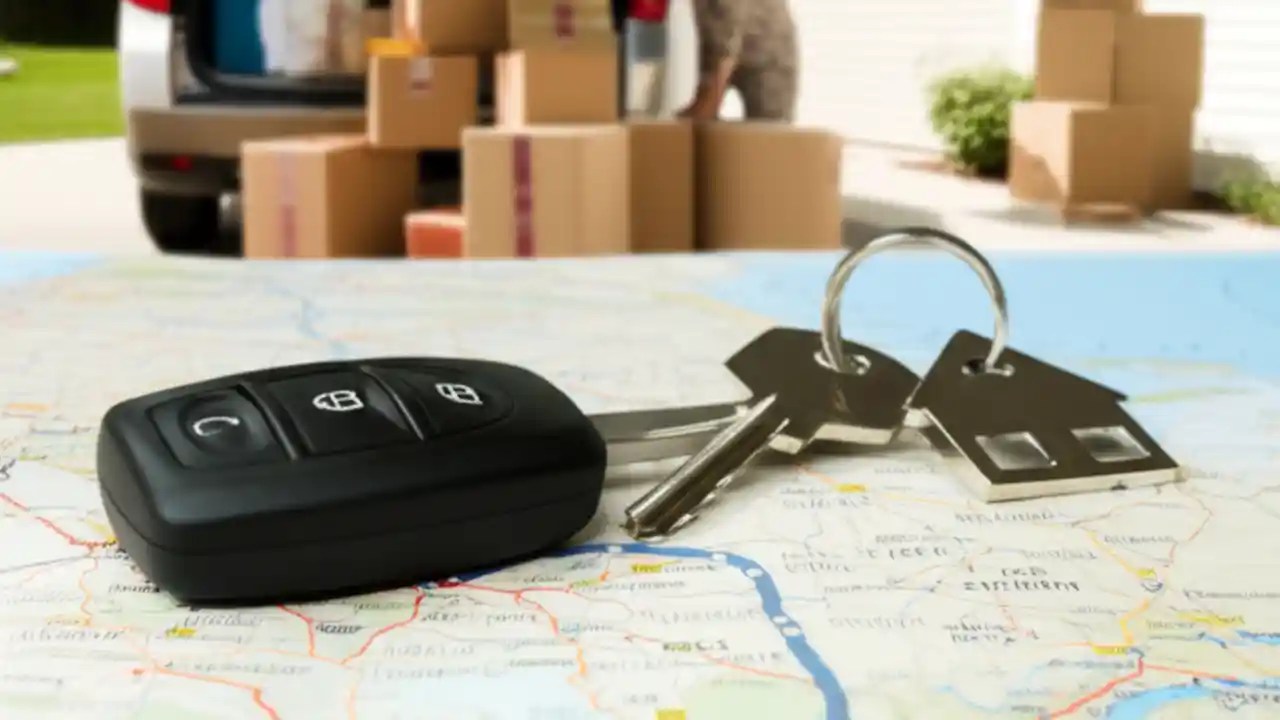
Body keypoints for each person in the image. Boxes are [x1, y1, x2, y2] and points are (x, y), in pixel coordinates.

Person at [680, 0, 798, 122]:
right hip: (736, 41)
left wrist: (700, 115)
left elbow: (723, 52)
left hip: (770, 55)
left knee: (770, 131)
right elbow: (711, 42)